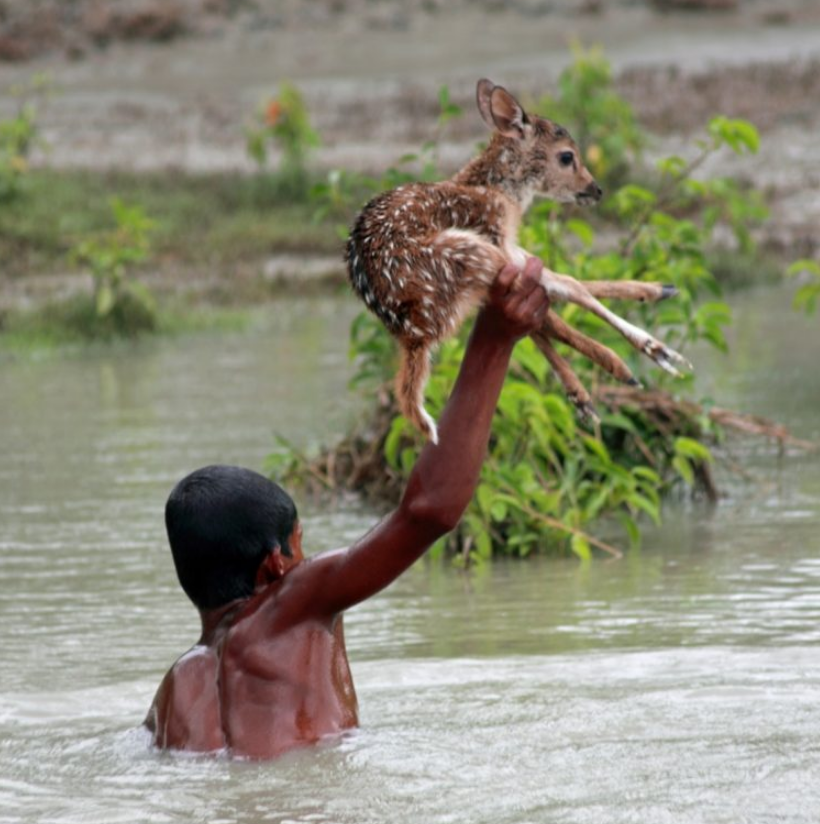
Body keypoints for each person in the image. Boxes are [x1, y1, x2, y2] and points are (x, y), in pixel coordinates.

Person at [145, 257, 550, 759]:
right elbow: (430, 511)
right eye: (299, 546)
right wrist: (494, 338)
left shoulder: (173, 693)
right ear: (275, 565)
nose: (305, 560)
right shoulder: (291, 604)